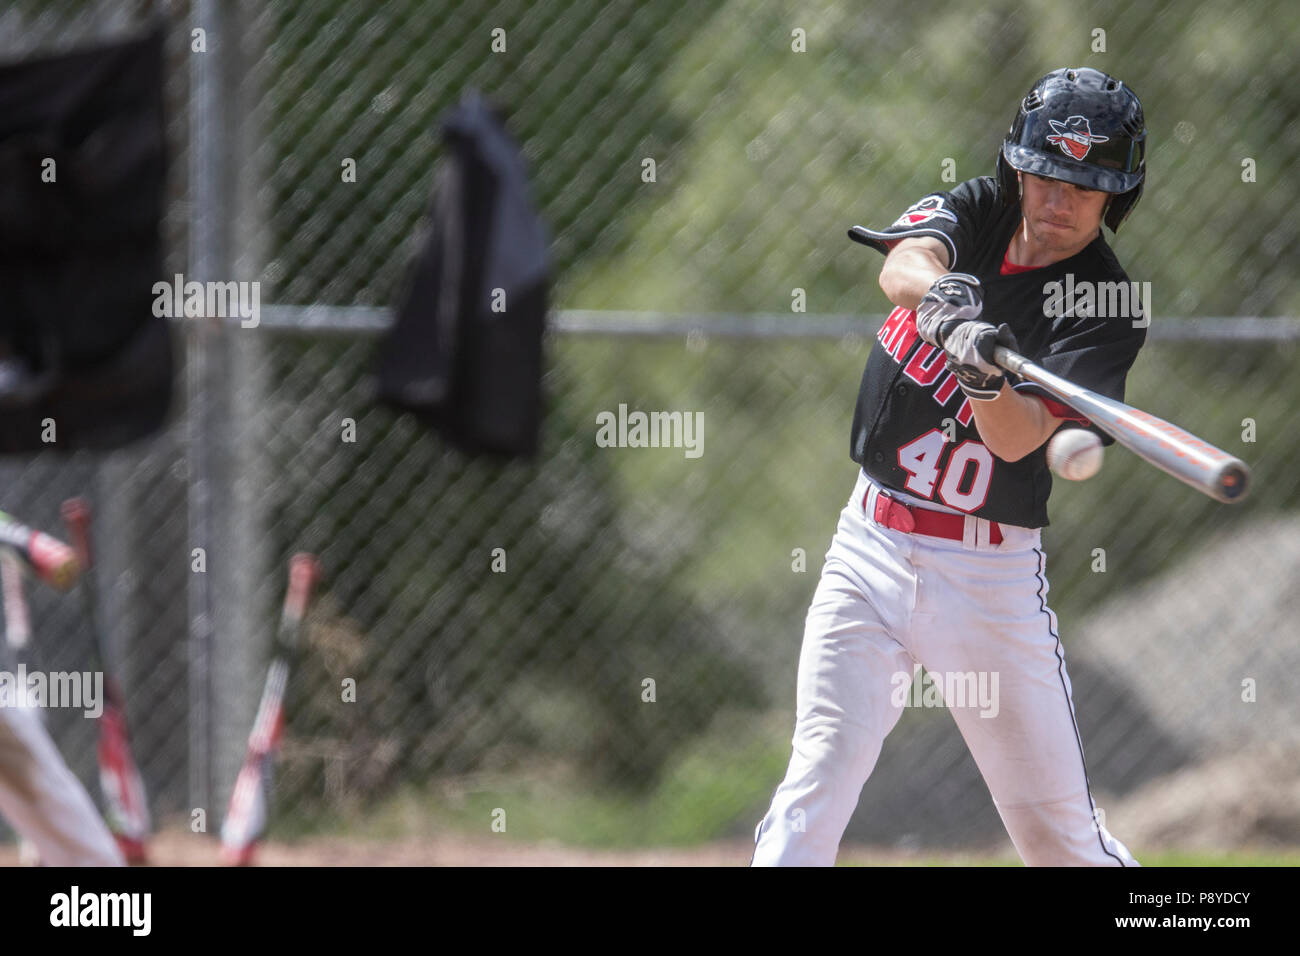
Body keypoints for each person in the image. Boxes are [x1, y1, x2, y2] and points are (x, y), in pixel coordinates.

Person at [752, 67, 1148, 866]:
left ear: (1118, 197)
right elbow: (901, 266)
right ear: (1018, 168)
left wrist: (983, 376)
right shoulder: (978, 207)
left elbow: (1015, 440)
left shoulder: (1105, 304)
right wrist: (950, 311)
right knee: (816, 783)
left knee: (1059, 841)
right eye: (1047, 174)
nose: (1058, 201)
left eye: (1086, 186)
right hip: (869, 543)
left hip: (985, 578)